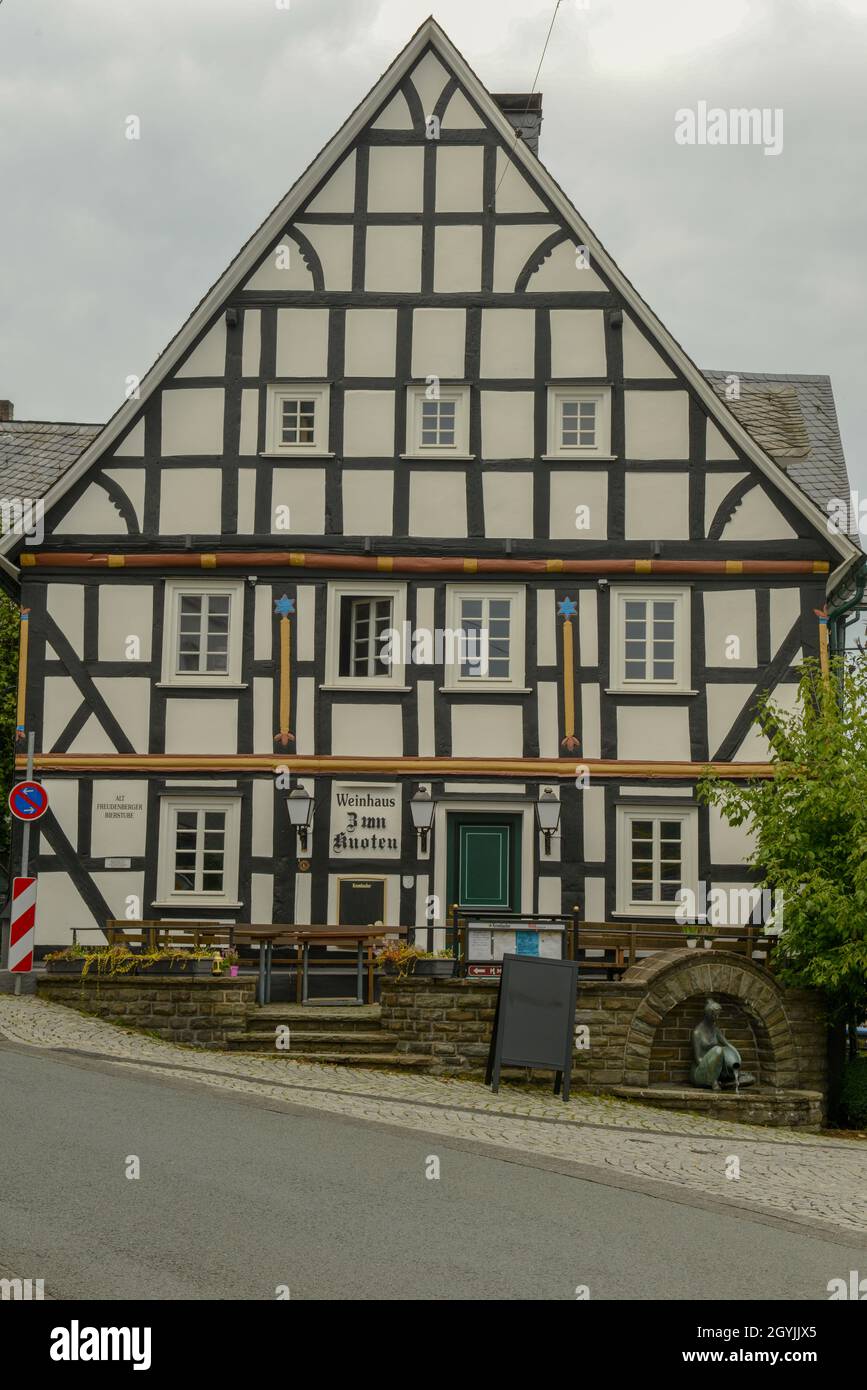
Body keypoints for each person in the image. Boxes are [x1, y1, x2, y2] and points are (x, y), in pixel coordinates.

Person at [691, 998, 755, 1091]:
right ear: (708, 1014)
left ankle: (725, 1083)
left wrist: (737, 1058)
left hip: (715, 1072)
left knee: (751, 1078)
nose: (717, 1018)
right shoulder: (697, 1032)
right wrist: (713, 1070)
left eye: (718, 1015)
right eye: (714, 1015)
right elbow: (698, 1059)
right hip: (701, 1072)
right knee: (718, 1049)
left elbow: (727, 1044)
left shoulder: (715, 1030)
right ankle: (715, 1082)